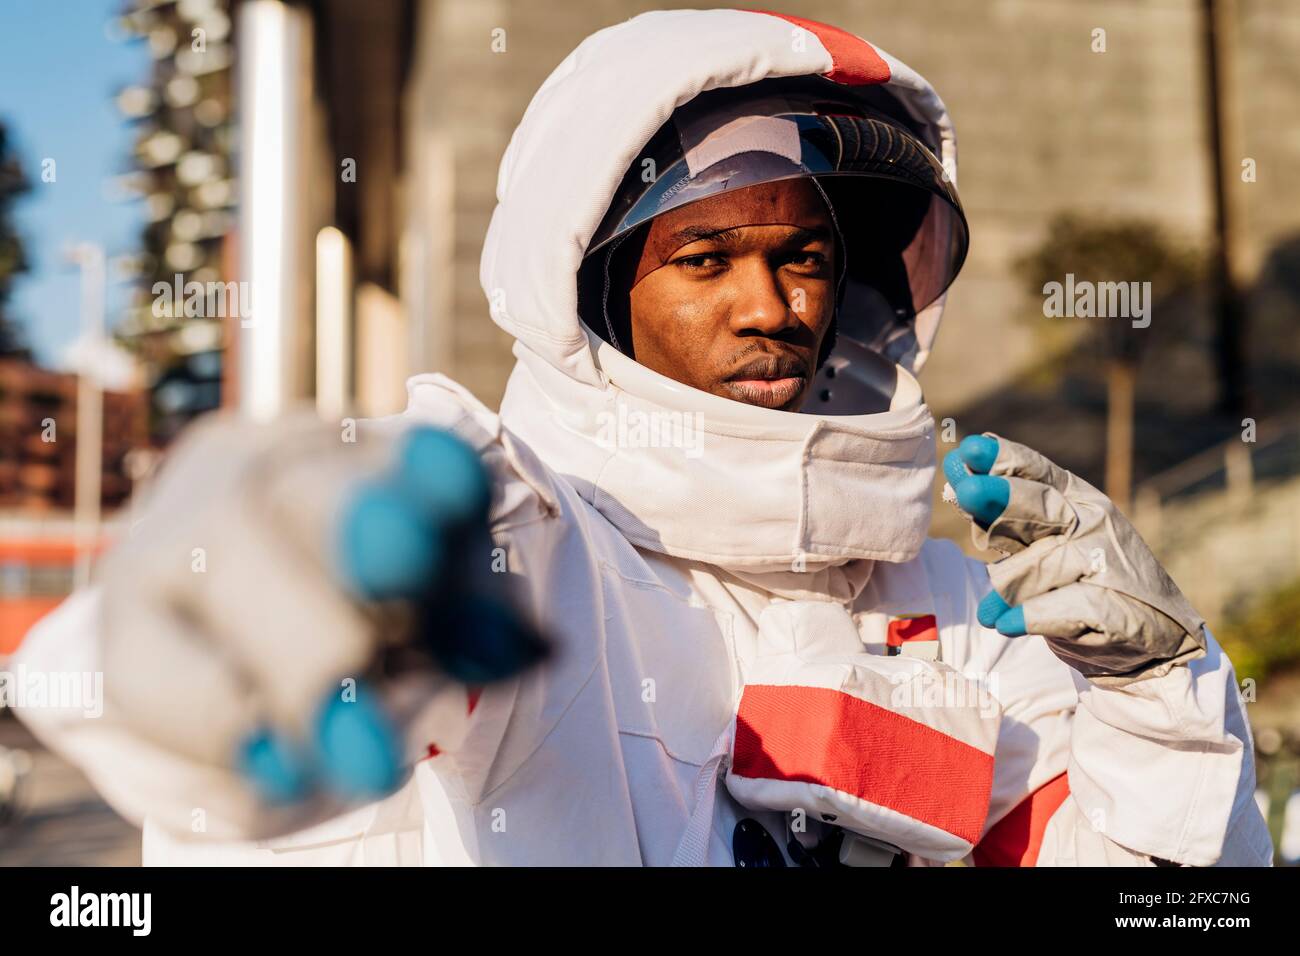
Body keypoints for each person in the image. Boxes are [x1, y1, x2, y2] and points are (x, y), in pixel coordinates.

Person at [15, 9, 1271, 866]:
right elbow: (228, 713)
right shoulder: (526, 542)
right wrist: (239, 600)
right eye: (706, 257)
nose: (770, 307)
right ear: (596, 286)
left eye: (805, 258)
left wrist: (1159, 693)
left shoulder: (944, 605)